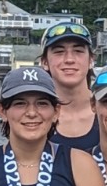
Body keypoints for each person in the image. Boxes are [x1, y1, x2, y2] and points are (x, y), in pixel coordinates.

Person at [36, 20, 101, 153]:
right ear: (44, 62)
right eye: (59, 52)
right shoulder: (33, 115)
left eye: (78, 51)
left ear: (91, 60)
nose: (69, 59)